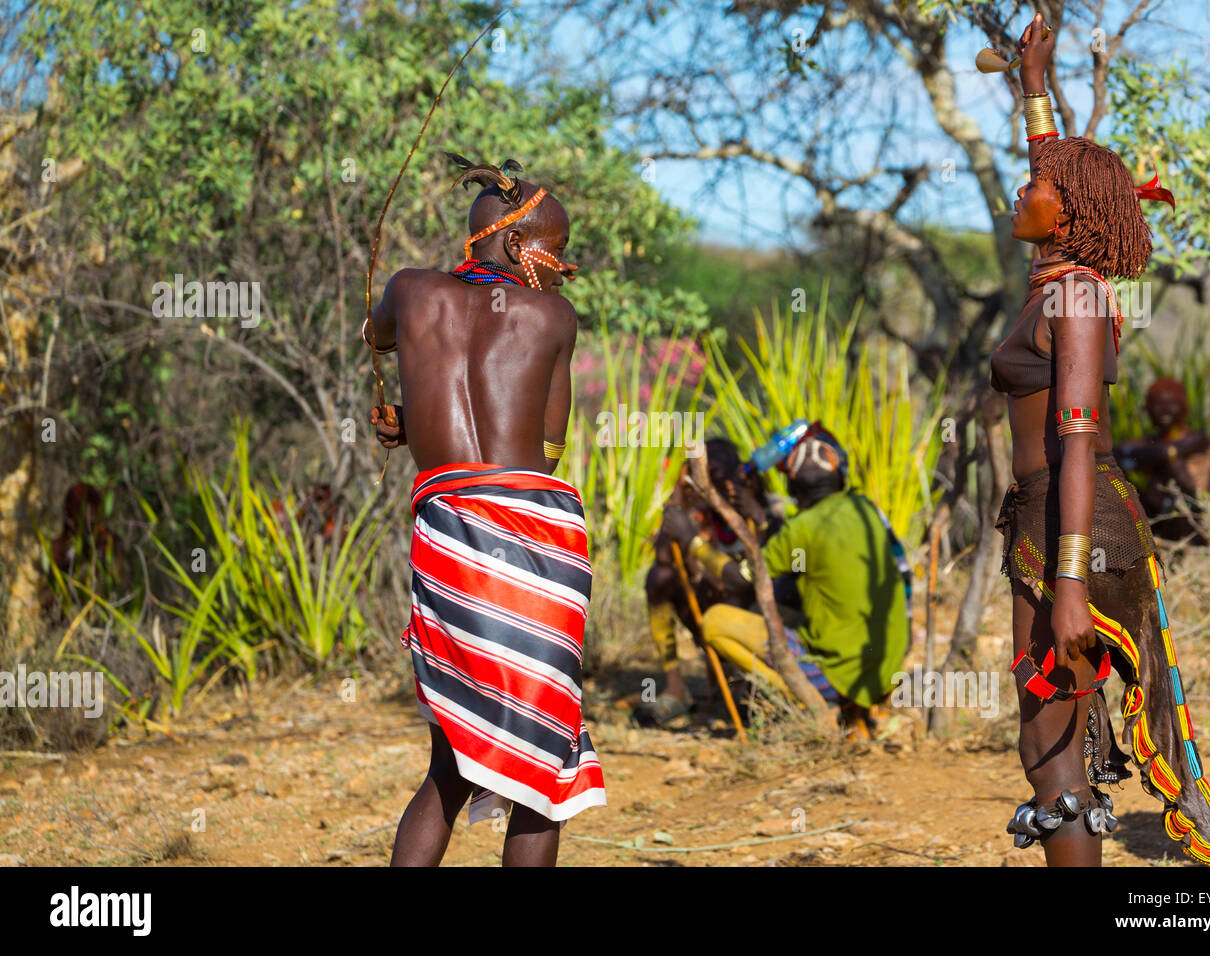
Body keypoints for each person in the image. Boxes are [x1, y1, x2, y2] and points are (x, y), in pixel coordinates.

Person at [990, 16, 1210, 866]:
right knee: (1051, 748)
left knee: (1056, 751)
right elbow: (1050, 168)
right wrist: (1035, 82)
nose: (1022, 194)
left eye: (1038, 191)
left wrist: (1068, 589)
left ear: (1069, 214)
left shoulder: (1077, 302)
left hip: (1079, 534)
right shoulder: (1059, 282)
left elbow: (1078, 442)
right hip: (1046, 523)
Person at [367, 156, 604, 867]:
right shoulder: (553, 317)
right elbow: (548, 450)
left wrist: (415, 420)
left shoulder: (410, 291)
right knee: (541, 765)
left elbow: (377, 335)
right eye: (549, 251)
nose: (558, 269)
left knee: (451, 761)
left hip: (450, 535)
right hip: (541, 544)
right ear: (505, 239)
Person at [659, 424, 912, 732]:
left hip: (841, 673)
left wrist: (691, 541)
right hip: (887, 664)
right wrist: (761, 520)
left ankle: (812, 703)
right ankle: (855, 705)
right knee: (768, 610)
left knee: (715, 622)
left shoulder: (800, 529)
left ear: (792, 488)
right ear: (840, 476)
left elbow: (741, 578)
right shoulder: (864, 508)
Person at [641, 437, 784, 724]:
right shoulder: (697, 512)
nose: (711, 484)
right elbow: (665, 560)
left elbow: (747, 580)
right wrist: (678, 500)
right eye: (702, 475)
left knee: (740, 593)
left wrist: (756, 514)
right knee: (660, 577)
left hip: (758, 615)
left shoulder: (766, 508)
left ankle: (755, 689)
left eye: (718, 475)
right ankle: (676, 688)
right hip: (713, 610)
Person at [1114, 378, 1210, 543]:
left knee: (1172, 465)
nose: (1165, 412)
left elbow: (1166, 454)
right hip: (1159, 517)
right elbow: (1116, 452)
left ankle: (1189, 543)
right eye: (1158, 405)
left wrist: (1143, 457)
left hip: (1196, 520)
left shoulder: (1196, 439)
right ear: (1147, 409)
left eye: (1172, 404)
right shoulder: (1149, 443)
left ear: (1183, 407)